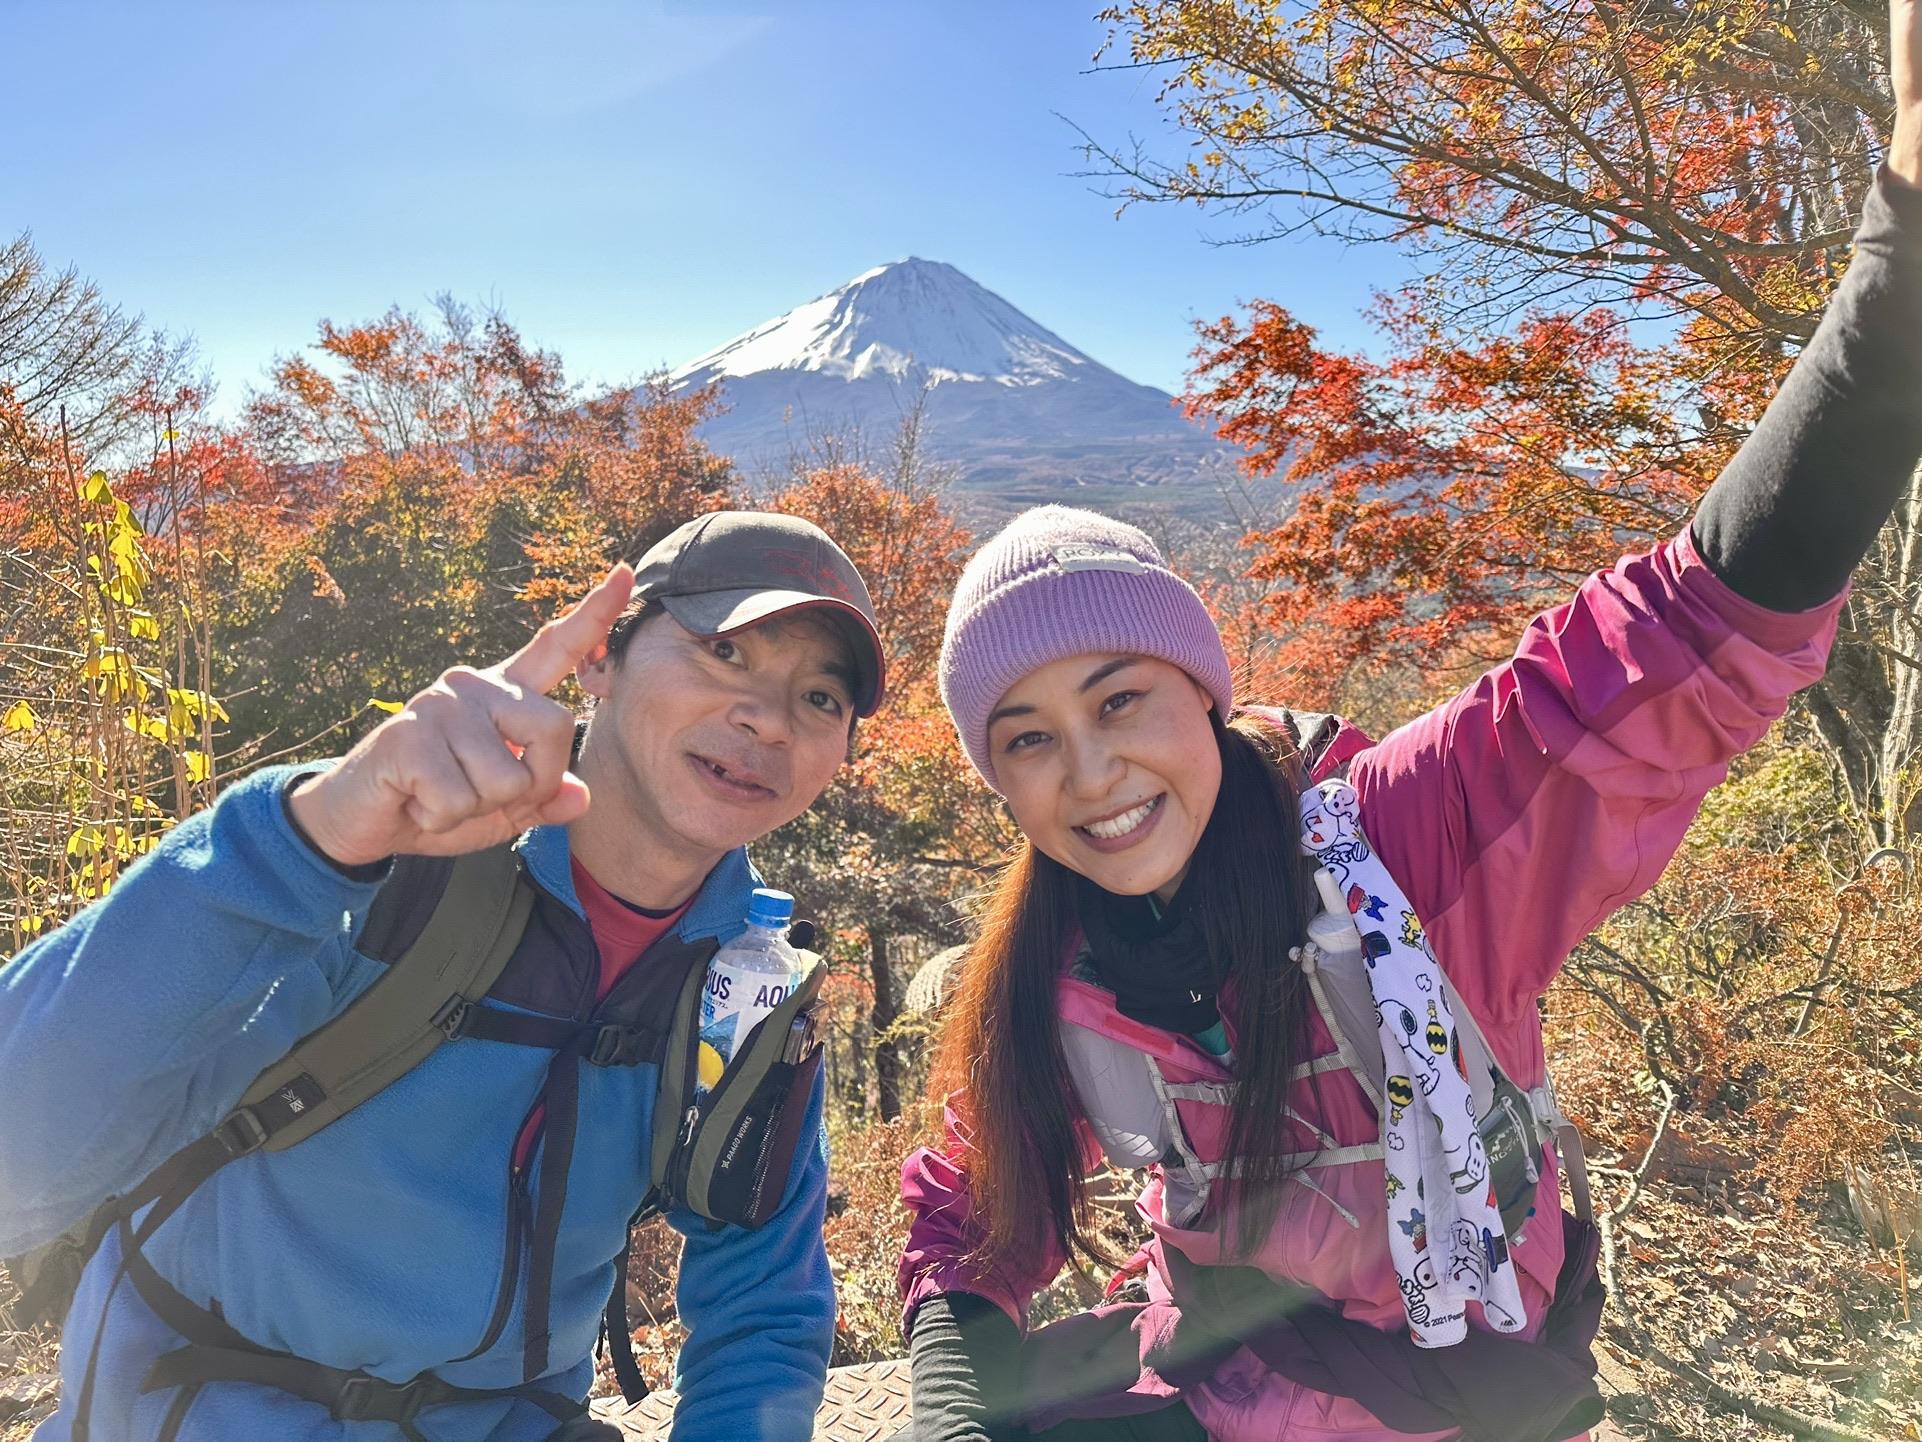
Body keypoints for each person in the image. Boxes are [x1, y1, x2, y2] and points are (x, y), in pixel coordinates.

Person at [894, 10, 1922, 1437]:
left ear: (1204, 693)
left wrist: (1901, 249)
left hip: (1457, 1383)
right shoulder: (1053, 972)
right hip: (1223, 1367)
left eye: (1119, 699)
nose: (1090, 773)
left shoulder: (1399, 851)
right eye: (1024, 738)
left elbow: (1674, 642)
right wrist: (948, 1406)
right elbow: (975, 1202)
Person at [0, 511, 887, 1441]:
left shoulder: (744, 989)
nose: (770, 720)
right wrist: (307, 841)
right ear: (600, 661)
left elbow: (762, 1304)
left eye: (821, 698)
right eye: (726, 652)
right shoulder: (375, 869)